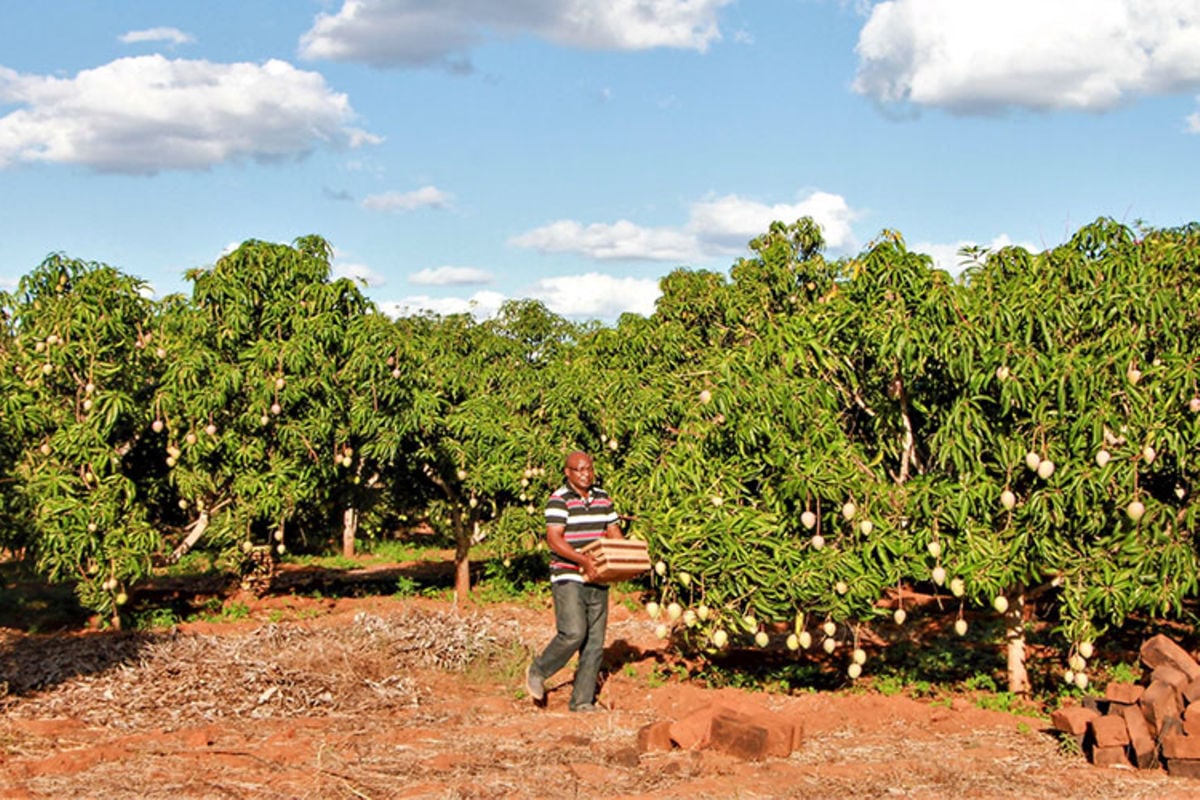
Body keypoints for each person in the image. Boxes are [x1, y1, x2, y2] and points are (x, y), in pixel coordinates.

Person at [525, 450, 624, 712]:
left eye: (589, 469)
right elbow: (554, 539)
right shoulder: (559, 500)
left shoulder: (603, 498)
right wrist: (582, 560)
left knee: (594, 641)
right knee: (573, 632)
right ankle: (539, 669)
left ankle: (581, 701)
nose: (585, 474)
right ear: (568, 473)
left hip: (598, 574)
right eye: (579, 470)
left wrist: (626, 556)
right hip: (568, 573)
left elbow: (613, 532)